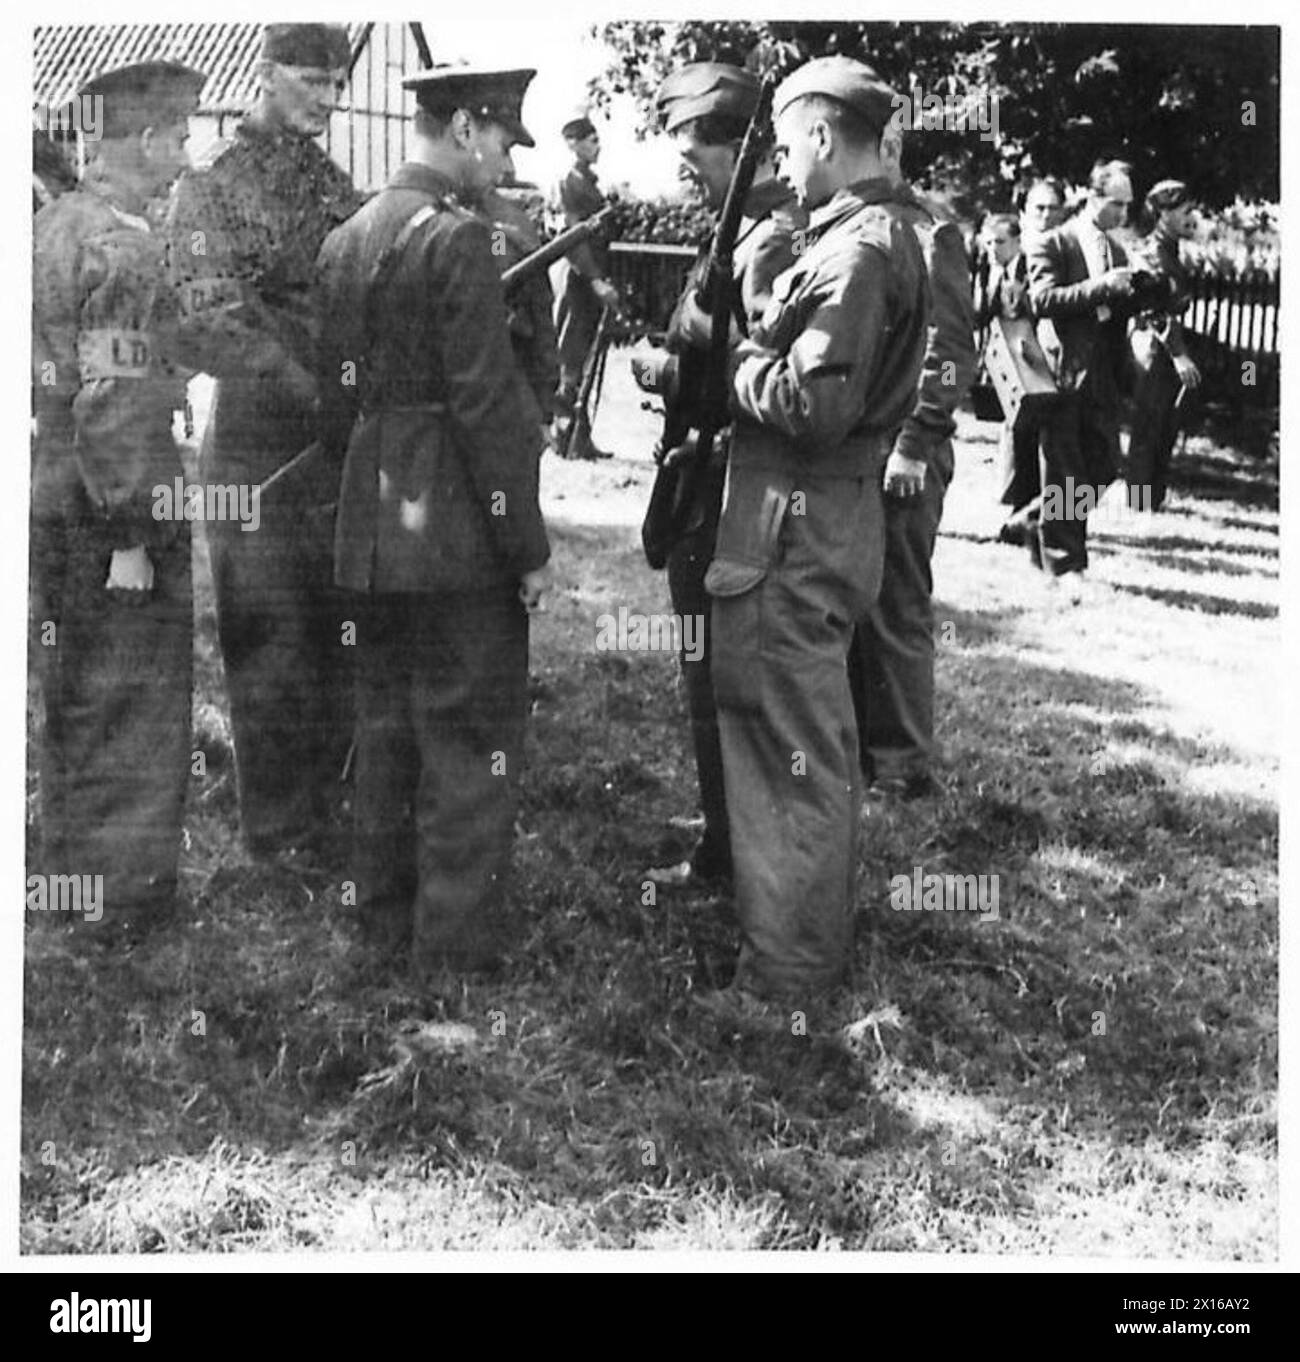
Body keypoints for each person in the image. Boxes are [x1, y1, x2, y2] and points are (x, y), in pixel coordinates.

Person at [700, 57, 929, 1013]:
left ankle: (786, 983)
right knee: (808, 740)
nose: (786, 167)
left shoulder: (859, 250)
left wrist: (736, 356)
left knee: (788, 747)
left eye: (791, 145)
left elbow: (812, 399)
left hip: (796, 526)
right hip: (814, 522)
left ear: (826, 138)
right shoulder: (864, 235)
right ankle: (802, 945)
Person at [315, 66, 552, 978]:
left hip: (373, 528)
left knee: (385, 727)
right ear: (461, 127)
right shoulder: (457, 242)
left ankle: (380, 924)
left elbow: (338, 400)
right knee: (471, 733)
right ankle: (454, 951)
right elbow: (488, 409)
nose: (500, 160)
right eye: (497, 140)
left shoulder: (347, 239)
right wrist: (524, 548)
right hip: (454, 531)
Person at [165, 23, 364, 859]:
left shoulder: (331, 181)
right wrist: (301, 386)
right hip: (255, 448)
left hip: (333, 442)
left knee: (334, 628)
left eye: (335, 85)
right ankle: (279, 834)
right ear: (264, 74)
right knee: (268, 636)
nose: (326, 98)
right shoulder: (209, 187)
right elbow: (208, 318)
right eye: (311, 82)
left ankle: (332, 808)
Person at [31, 61, 205, 945]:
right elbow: (116, 397)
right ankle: (118, 903)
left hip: (48, 496)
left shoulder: (48, 226)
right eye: (177, 136)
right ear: (142, 139)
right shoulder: (127, 247)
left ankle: (61, 879)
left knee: (70, 694)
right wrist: (134, 532)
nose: (184, 154)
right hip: (111, 507)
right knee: (131, 700)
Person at [642, 62, 806, 892]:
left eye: (695, 154)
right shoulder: (741, 230)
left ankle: (730, 851)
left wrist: (661, 371)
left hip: (731, 486)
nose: (687, 172)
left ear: (745, 151)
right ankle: (724, 823)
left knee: (719, 676)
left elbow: (760, 376)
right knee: (708, 671)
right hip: (708, 476)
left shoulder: (770, 239)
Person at [848, 127, 977, 801]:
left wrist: (916, 442)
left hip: (906, 453)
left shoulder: (930, 232)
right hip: (860, 446)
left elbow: (951, 347)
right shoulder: (862, 225)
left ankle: (900, 766)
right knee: (854, 598)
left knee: (896, 603)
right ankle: (863, 753)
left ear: (892, 151)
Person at [1025, 159, 1150, 585]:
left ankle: (1033, 519)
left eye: (1128, 205)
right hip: (1063, 370)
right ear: (1092, 197)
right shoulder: (1054, 243)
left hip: (1103, 372)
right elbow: (1041, 300)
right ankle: (1066, 564)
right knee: (1065, 469)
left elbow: (1113, 311)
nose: (1123, 214)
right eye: (1116, 203)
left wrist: (1135, 294)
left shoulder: (1115, 251)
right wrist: (1103, 287)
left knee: (1103, 466)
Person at [991, 177, 1067, 551]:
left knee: (1056, 450)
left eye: (1054, 208)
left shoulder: (1066, 254)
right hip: (1022, 364)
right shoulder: (1014, 261)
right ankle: (1022, 515)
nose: (1046, 215)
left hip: (1058, 361)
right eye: (1038, 208)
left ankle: (1040, 517)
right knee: (1019, 439)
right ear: (1024, 213)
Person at [1126, 179, 1201, 511]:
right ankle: (1140, 502)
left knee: (1164, 422)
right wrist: (1179, 354)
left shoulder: (1169, 248)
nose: (1192, 217)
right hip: (1153, 346)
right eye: (1186, 211)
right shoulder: (1152, 252)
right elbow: (1153, 309)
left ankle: (1151, 499)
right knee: (1149, 423)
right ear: (1163, 213)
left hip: (1164, 347)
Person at [552, 113, 619, 459]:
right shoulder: (569, 181)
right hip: (577, 277)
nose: (598, 145)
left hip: (589, 278)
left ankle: (579, 436)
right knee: (571, 356)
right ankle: (565, 436)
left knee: (585, 354)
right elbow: (572, 236)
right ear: (573, 144)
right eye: (591, 140)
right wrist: (594, 279)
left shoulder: (587, 181)